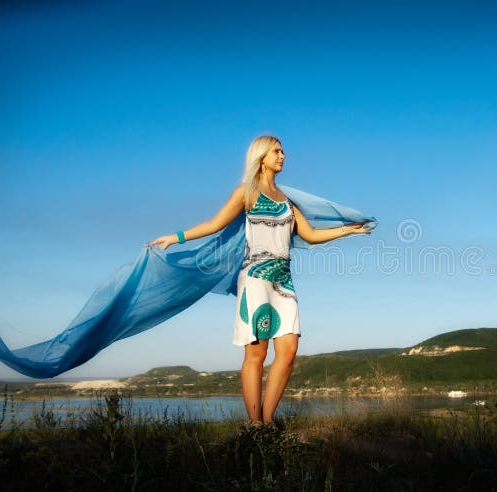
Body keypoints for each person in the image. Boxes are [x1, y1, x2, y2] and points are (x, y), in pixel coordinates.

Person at [149, 135, 371, 424]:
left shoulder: (288, 201)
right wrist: (175, 238)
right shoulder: (246, 192)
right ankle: (256, 426)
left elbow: (311, 236)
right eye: (276, 151)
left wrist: (348, 231)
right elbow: (215, 224)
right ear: (261, 157)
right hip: (255, 277)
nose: (283, 155)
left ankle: (267, 421)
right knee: (257, 353)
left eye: (283, 151)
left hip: (283, 280)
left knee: (288, 352)